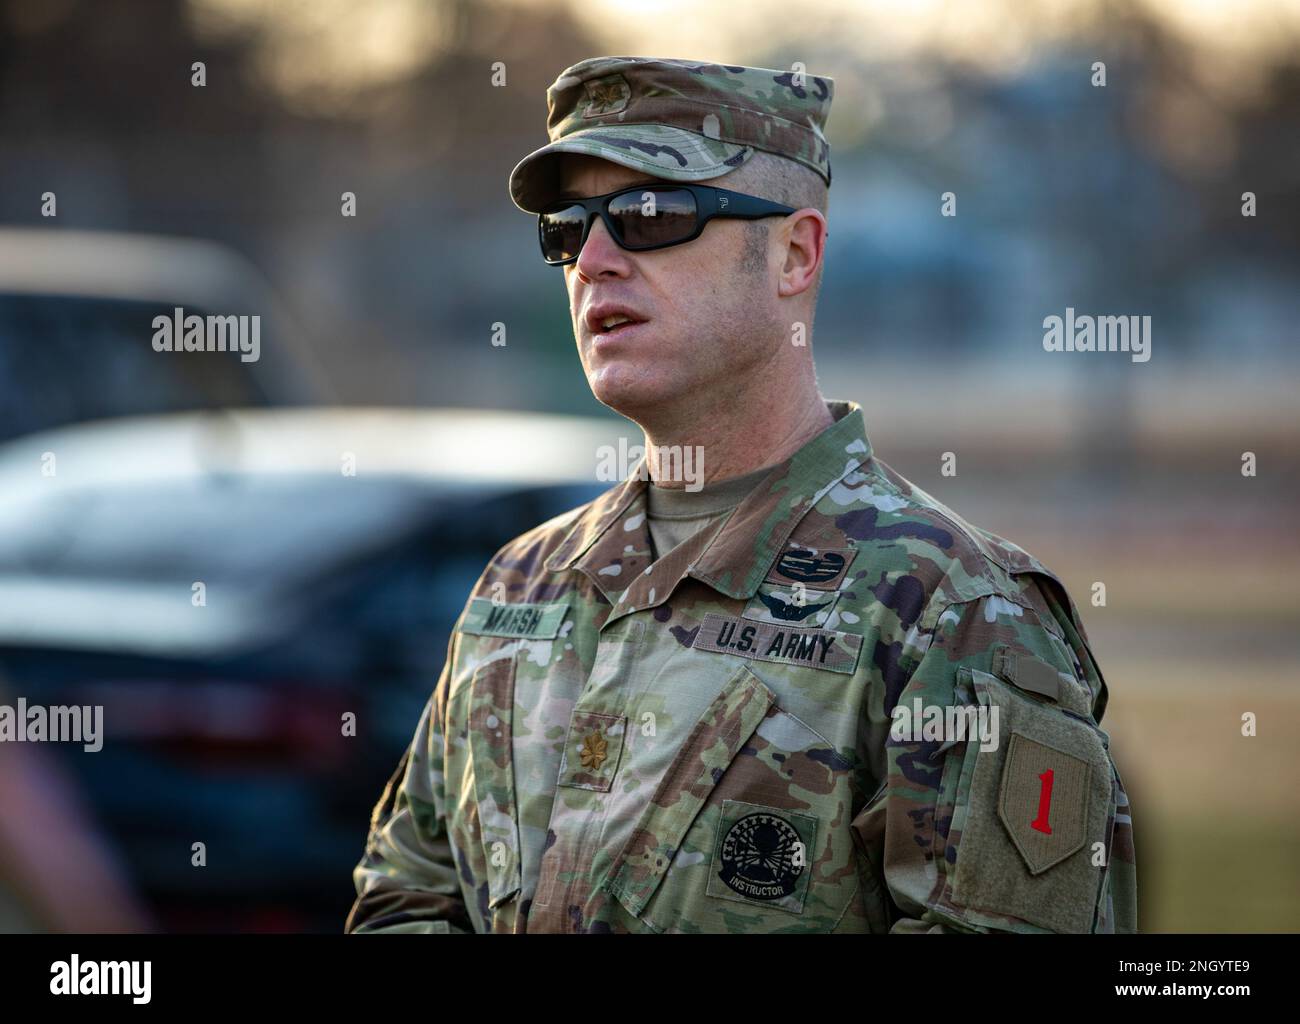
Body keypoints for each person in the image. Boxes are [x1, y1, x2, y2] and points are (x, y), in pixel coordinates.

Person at [345, 56, 1137, 934]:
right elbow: (400, 899)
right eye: (570, 228)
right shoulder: (518, 589)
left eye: (650, 215)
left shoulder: (949, 611)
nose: (595, 260)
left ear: (794, 254)